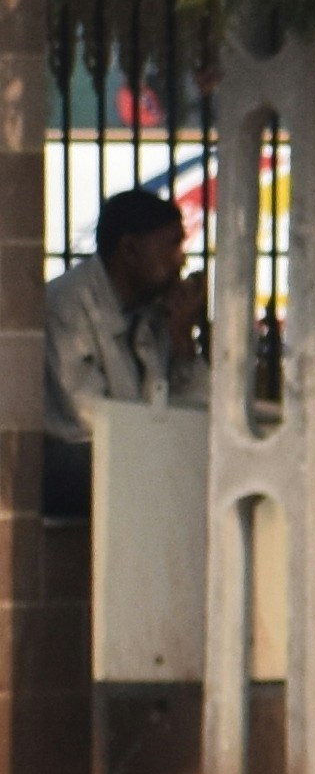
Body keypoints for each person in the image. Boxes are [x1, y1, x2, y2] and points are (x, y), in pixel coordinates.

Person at [37, 184, 204, 522]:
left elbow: (197, 411)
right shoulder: (67, 306)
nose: (181, 261)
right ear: (130, 250)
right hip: (73, 459)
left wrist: (183, 339)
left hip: (134, 452)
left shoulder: (154, 311)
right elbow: (88, 419)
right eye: (172, 245)